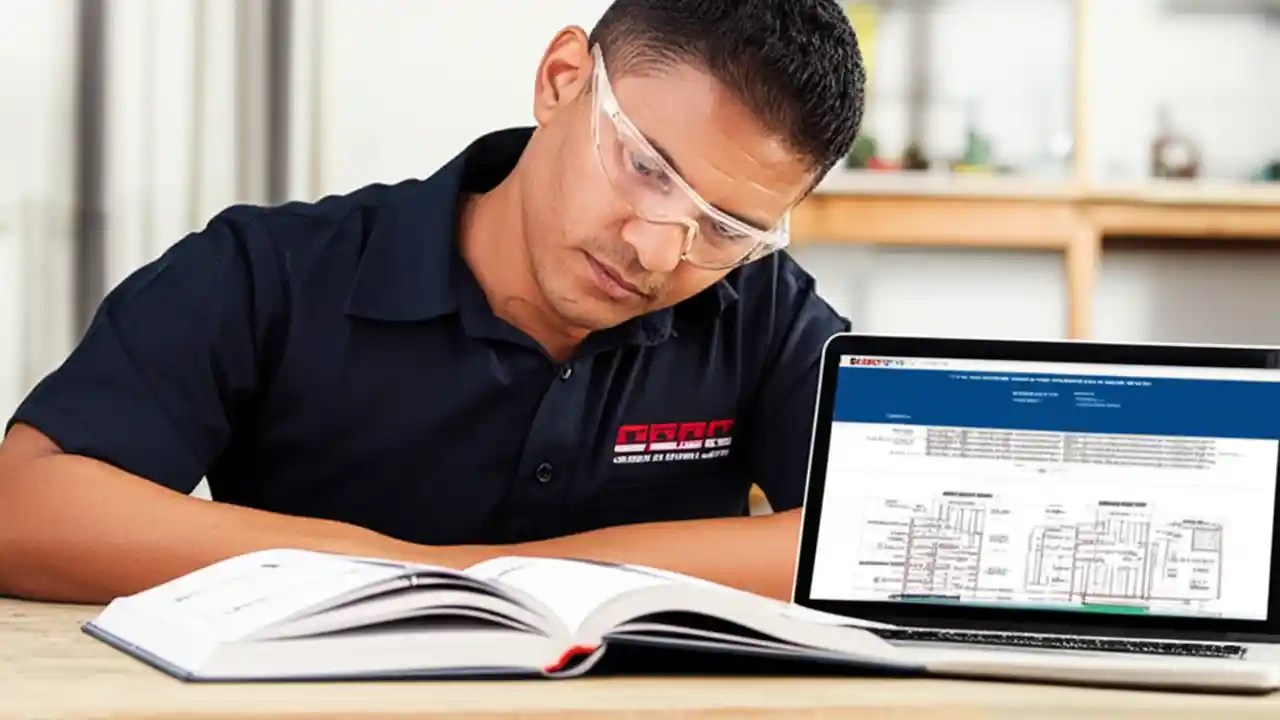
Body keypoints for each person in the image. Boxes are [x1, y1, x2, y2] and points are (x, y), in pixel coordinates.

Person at [0, 0, 865, 604]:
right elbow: (26, 508)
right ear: (563, 80)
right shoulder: (272, 271)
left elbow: (886, 537)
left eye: (724, 227)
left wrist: (500, 576)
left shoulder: (763, 308)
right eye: (644, 168)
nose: (658, 250)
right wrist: (403, 574)